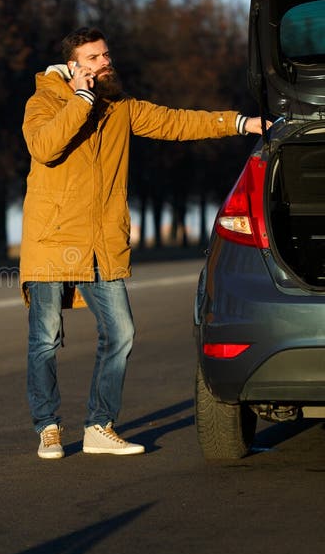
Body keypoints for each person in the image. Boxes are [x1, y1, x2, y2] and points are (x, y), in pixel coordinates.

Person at [20, 26, 267, 460]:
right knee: (46, 338)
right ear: (73, 66)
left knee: (121, 332)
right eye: (94, 57)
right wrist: (79, 100)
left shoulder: (120, 108)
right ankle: (48, 427)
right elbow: (45, 147)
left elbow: (177, 121)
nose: (104, 62)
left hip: (101, 243)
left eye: (106, 55)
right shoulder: (42, 102)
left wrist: (240, 122)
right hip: (52, 240)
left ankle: (99, 425)